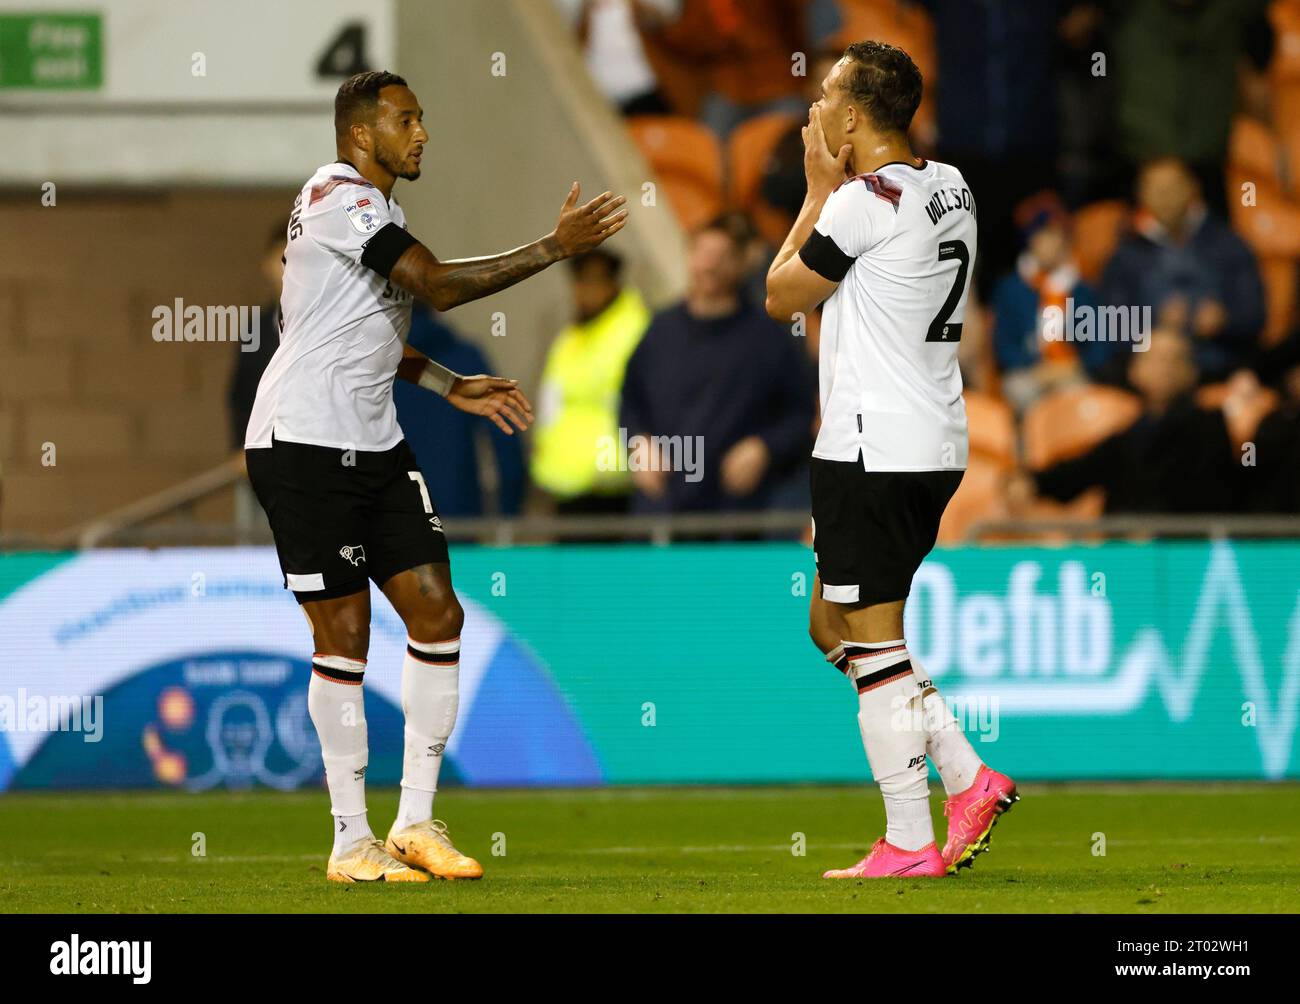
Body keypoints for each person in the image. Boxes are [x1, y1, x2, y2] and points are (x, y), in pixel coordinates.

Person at [243, 70, 626, 883]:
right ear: (358, 136)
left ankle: (414, 821)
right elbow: (443, 286)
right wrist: (555, 246)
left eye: (423, 119)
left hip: (374, 442)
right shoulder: (339, 198)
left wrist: (450, 386)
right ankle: (351, 840)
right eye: (406, 120)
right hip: (303, 443)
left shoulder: (380, 213)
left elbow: (365, 333)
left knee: (436, 610)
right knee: (342, 637)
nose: (422, 134)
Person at [765, 41, 1015, 879]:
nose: (817, 105)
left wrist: (812, 194)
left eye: (828, 92)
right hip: (932, 439)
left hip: (872, 446)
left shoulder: (859, 204)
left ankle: (910, 839)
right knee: (830, 627)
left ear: (855, 114)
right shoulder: (951, 185)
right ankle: (966, 774)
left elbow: (778, 295)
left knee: (873, 647)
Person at [619, 217, 814, 516]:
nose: (710, 265)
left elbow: (801, 413)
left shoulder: (767, 338)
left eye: (721, 257)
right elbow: (630, 402)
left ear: (739, 265)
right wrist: (638, 445)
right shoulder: (660, 330)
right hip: (661, 513)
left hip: (738, 520)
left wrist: (763, 448)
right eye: (703, 254)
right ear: (689, 257)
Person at [1008, 328, 1239, 514]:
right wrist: (1032, 482)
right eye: (1153, 358)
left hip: (1182, 557)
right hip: (1124, 558)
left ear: (1191, 371)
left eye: (1173, 360)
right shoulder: (1129, 436)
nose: (1163, 369)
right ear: (1135, 370)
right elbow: (1079, 472)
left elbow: (1205, 499)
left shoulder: (1210, 428)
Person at [1100, 157, 1265, 384]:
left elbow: (1253, 316)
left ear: (1192, 188)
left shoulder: (1229, 246)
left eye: (1172, 188)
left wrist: (1224, 322)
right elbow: (1112, 327)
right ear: (1141, 195)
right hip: (1151, 374)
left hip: (1219, 369)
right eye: (1155, 189)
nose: (1165, 197)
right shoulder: (1127, 257)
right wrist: (1155, 326)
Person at [531, 249, 649, 515]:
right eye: (579, 281)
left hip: (611, 483)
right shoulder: (572, 336)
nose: (583, 290)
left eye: (593, 281)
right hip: (566, 480)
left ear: (612, 284)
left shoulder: (634, 330)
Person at [392, 303, 525, 518]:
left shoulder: (367, 365)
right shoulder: (465, 359)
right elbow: (508, 452)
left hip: (388, 522)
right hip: (458, 520)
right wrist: (507, 520)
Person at [991, 194, 1103, 413]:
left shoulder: (1082, 290)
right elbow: (1003, 344)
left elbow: (1098, 343)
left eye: (1056, 237)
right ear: (1030, 241)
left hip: (1070, 371)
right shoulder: (1011, 288)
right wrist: (1035, 367)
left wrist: (1076, 365)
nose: (1049, 244)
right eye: (1042, 237)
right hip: (1028, 372)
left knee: (1080, 400)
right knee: (1024, 395)